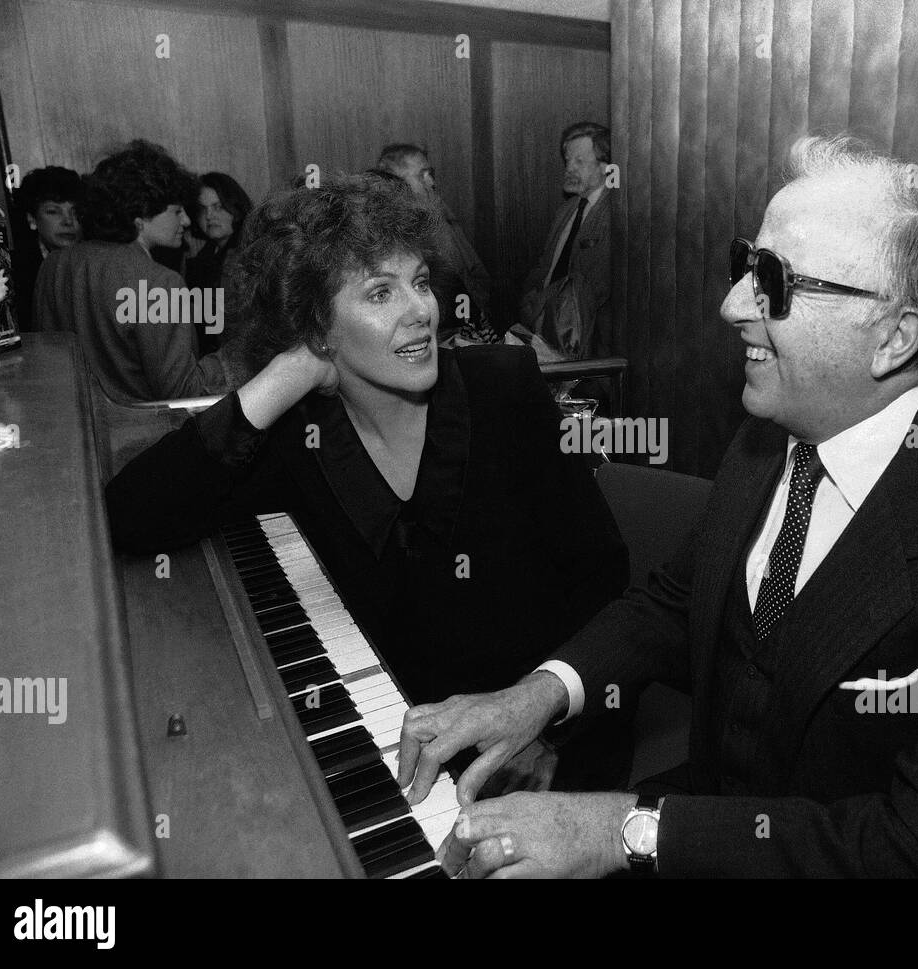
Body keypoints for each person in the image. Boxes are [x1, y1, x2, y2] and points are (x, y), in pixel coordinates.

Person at [397, 134, 918, 878]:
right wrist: (536, 695)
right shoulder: (771, 431)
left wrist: (625, 829)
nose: (731, 303)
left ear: (894, 337)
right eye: (745, 263)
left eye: (773, 279)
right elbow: (678, 604)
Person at [104, 171, 632, 792]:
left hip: (537, 736)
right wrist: (283, 377)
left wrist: (538, 722)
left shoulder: (504, 390)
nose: (421, 311)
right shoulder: (300, 436)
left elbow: (604, 579)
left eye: (421, 282)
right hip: (391, 736)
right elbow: (131, 516)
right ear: (319, 327)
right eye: (379, 294)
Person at [32, 140, 231, 403]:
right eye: (177, 211)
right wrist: (237, 357)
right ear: (142, 214)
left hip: (78, 432)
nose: (185, 221)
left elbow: (46, 367)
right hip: (147, 437)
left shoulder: (54, 265)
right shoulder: (160, 282)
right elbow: (183, 394)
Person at [376, 144, 495, 344]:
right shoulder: (389, 231)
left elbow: (473, 273)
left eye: (430, 174)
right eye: (422, 175)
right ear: (395, 183)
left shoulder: (439, 213)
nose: (431, 182)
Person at [516, 121, 612, 361]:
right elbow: (545, 265)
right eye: (567, 160)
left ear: (606, 168)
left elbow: (600, 283)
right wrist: (530, 302)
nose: (569, 167)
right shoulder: (566, 210)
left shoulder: (615, 214)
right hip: (544, 325)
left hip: (586, 337)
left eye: (579, 161)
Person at [185, 171, 252, 354]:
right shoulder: (202, 257)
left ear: (235, 208)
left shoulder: (250, 254)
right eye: (202, 209)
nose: (208, 216)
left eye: (218, 207)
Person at [11, 166, 83, 331]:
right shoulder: (16, 270)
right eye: (53, 212)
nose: (68, 221)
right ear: (32, 219)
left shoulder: (95, 260)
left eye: (75, 212)